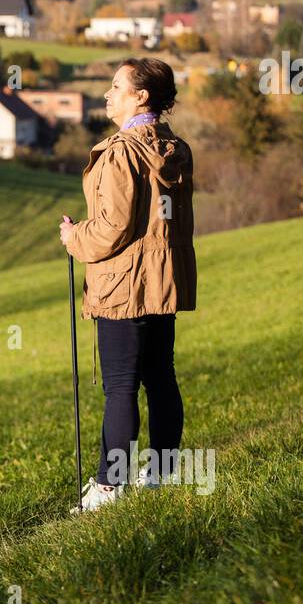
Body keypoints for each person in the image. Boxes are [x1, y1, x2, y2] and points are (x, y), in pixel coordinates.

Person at [58, 56, 196, 513]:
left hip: (122, 284)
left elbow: (114, 227)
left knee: (120, 386)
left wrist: (74, 236)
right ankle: (161, 472)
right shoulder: (175, 149)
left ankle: (108, 487)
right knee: (160, 376)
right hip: (163, 279)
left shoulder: (122, 152)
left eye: (116, 86)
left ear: (142, 96)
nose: (106, 94)